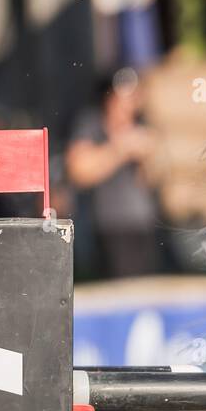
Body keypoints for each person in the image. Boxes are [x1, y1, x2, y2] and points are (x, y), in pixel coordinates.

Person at [66, 68, 163, 277]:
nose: (131, 101)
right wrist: (121, 149)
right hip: (108, 226)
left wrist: (150, 158)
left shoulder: (143, 123)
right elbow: (79, 170)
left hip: (144, 224)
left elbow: (156, 178)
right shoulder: (91, 124)